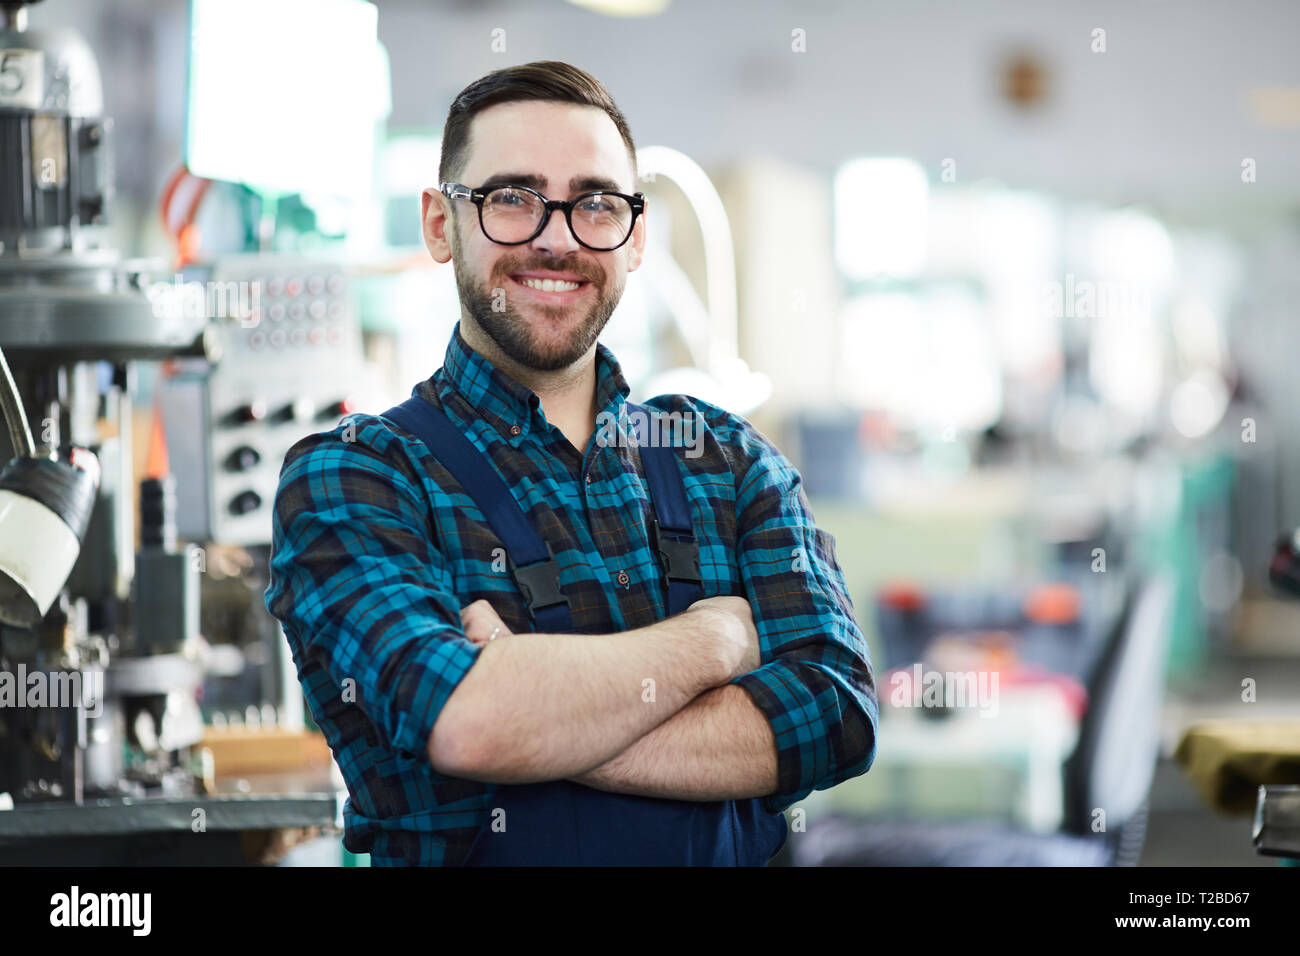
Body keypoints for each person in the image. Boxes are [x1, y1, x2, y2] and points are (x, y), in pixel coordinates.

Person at [265, 60, 877, 866]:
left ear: (636, 234)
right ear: (440, 224)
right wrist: (715, 643)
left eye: (595, 203)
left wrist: (538, 717)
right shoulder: (356, 478)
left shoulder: (726, 462)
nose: (557, 236)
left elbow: (834, 715)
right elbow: (468, 721)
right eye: (512, 197)